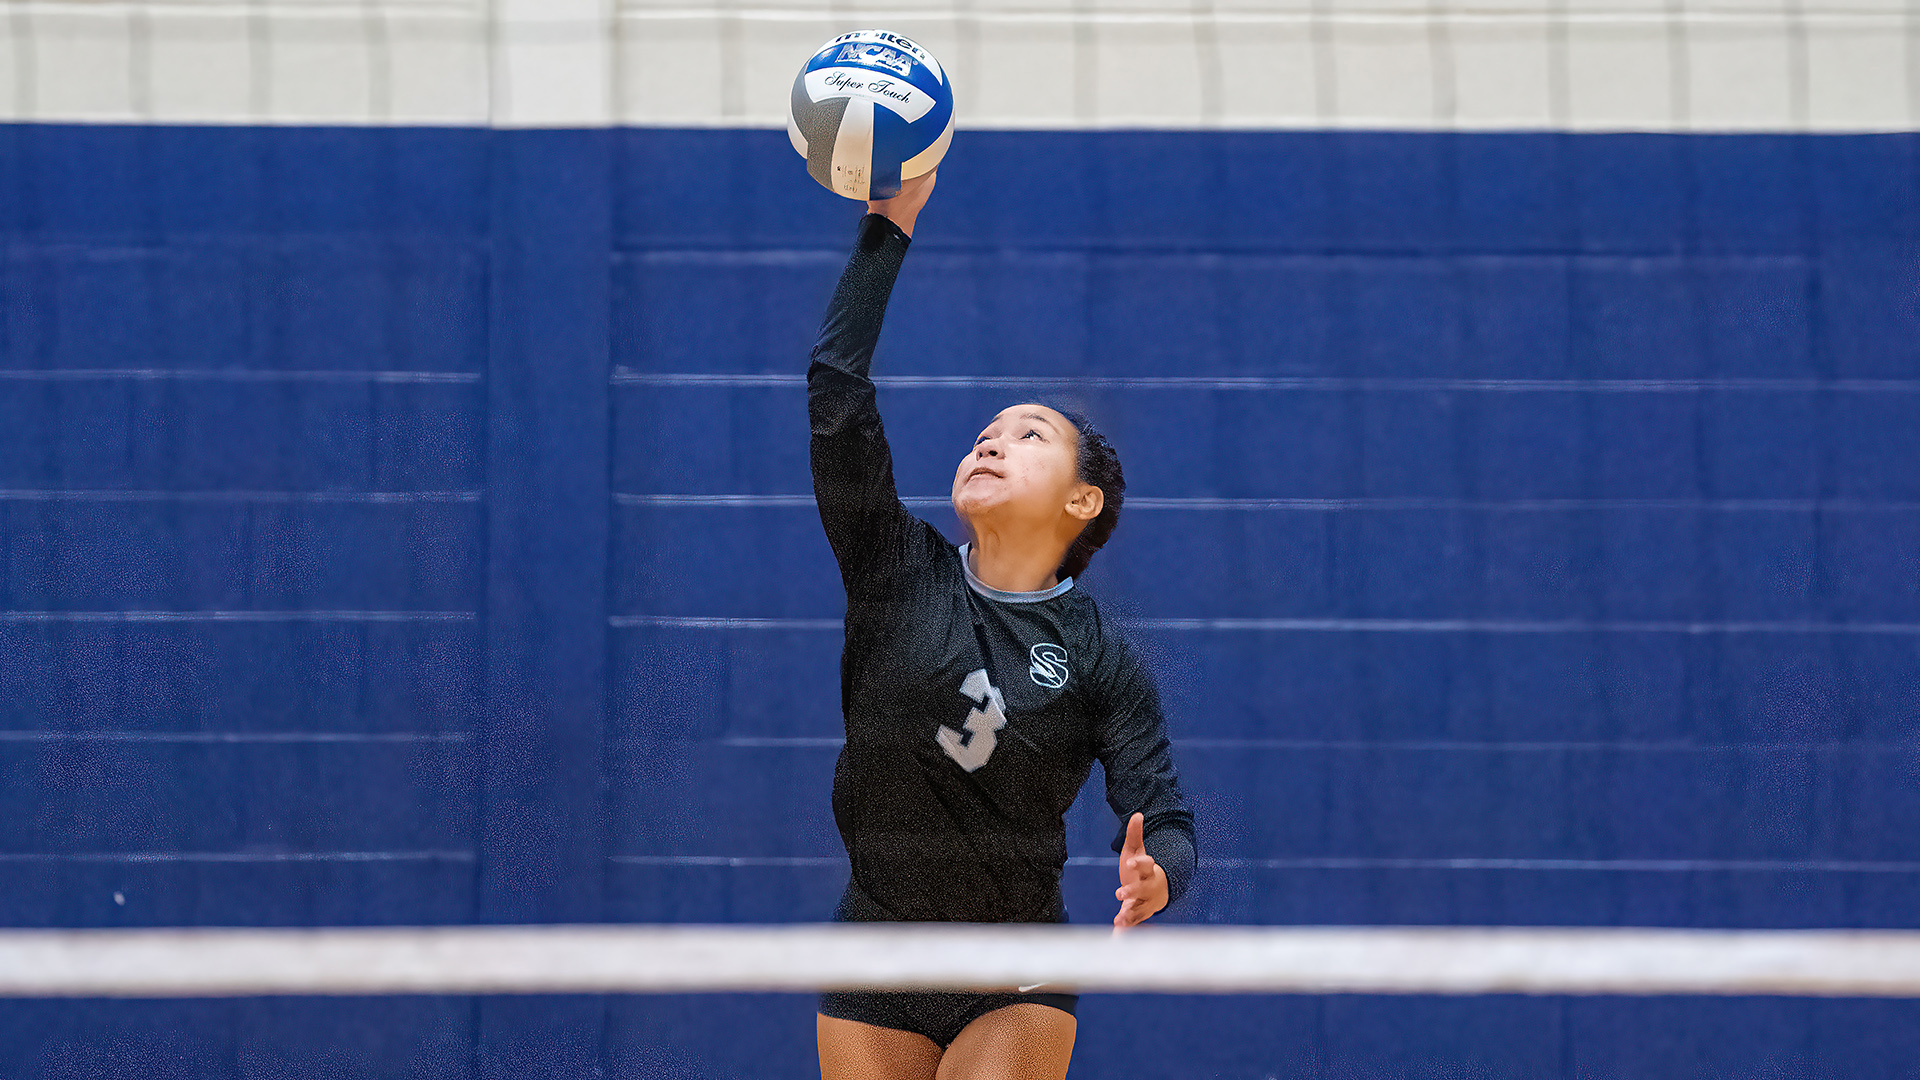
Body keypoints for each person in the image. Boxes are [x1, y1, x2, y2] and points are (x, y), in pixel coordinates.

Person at [809, 170, 1196, 1080]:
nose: (989, 441)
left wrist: (1160, 874)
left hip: (1014, 969)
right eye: (985, 431)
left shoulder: (1100, 660)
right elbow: (835, 394)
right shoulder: (893, 568)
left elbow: (1166, 815)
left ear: (1081, 499)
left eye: (1027, 435)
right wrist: (886, 228)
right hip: (874, 950)